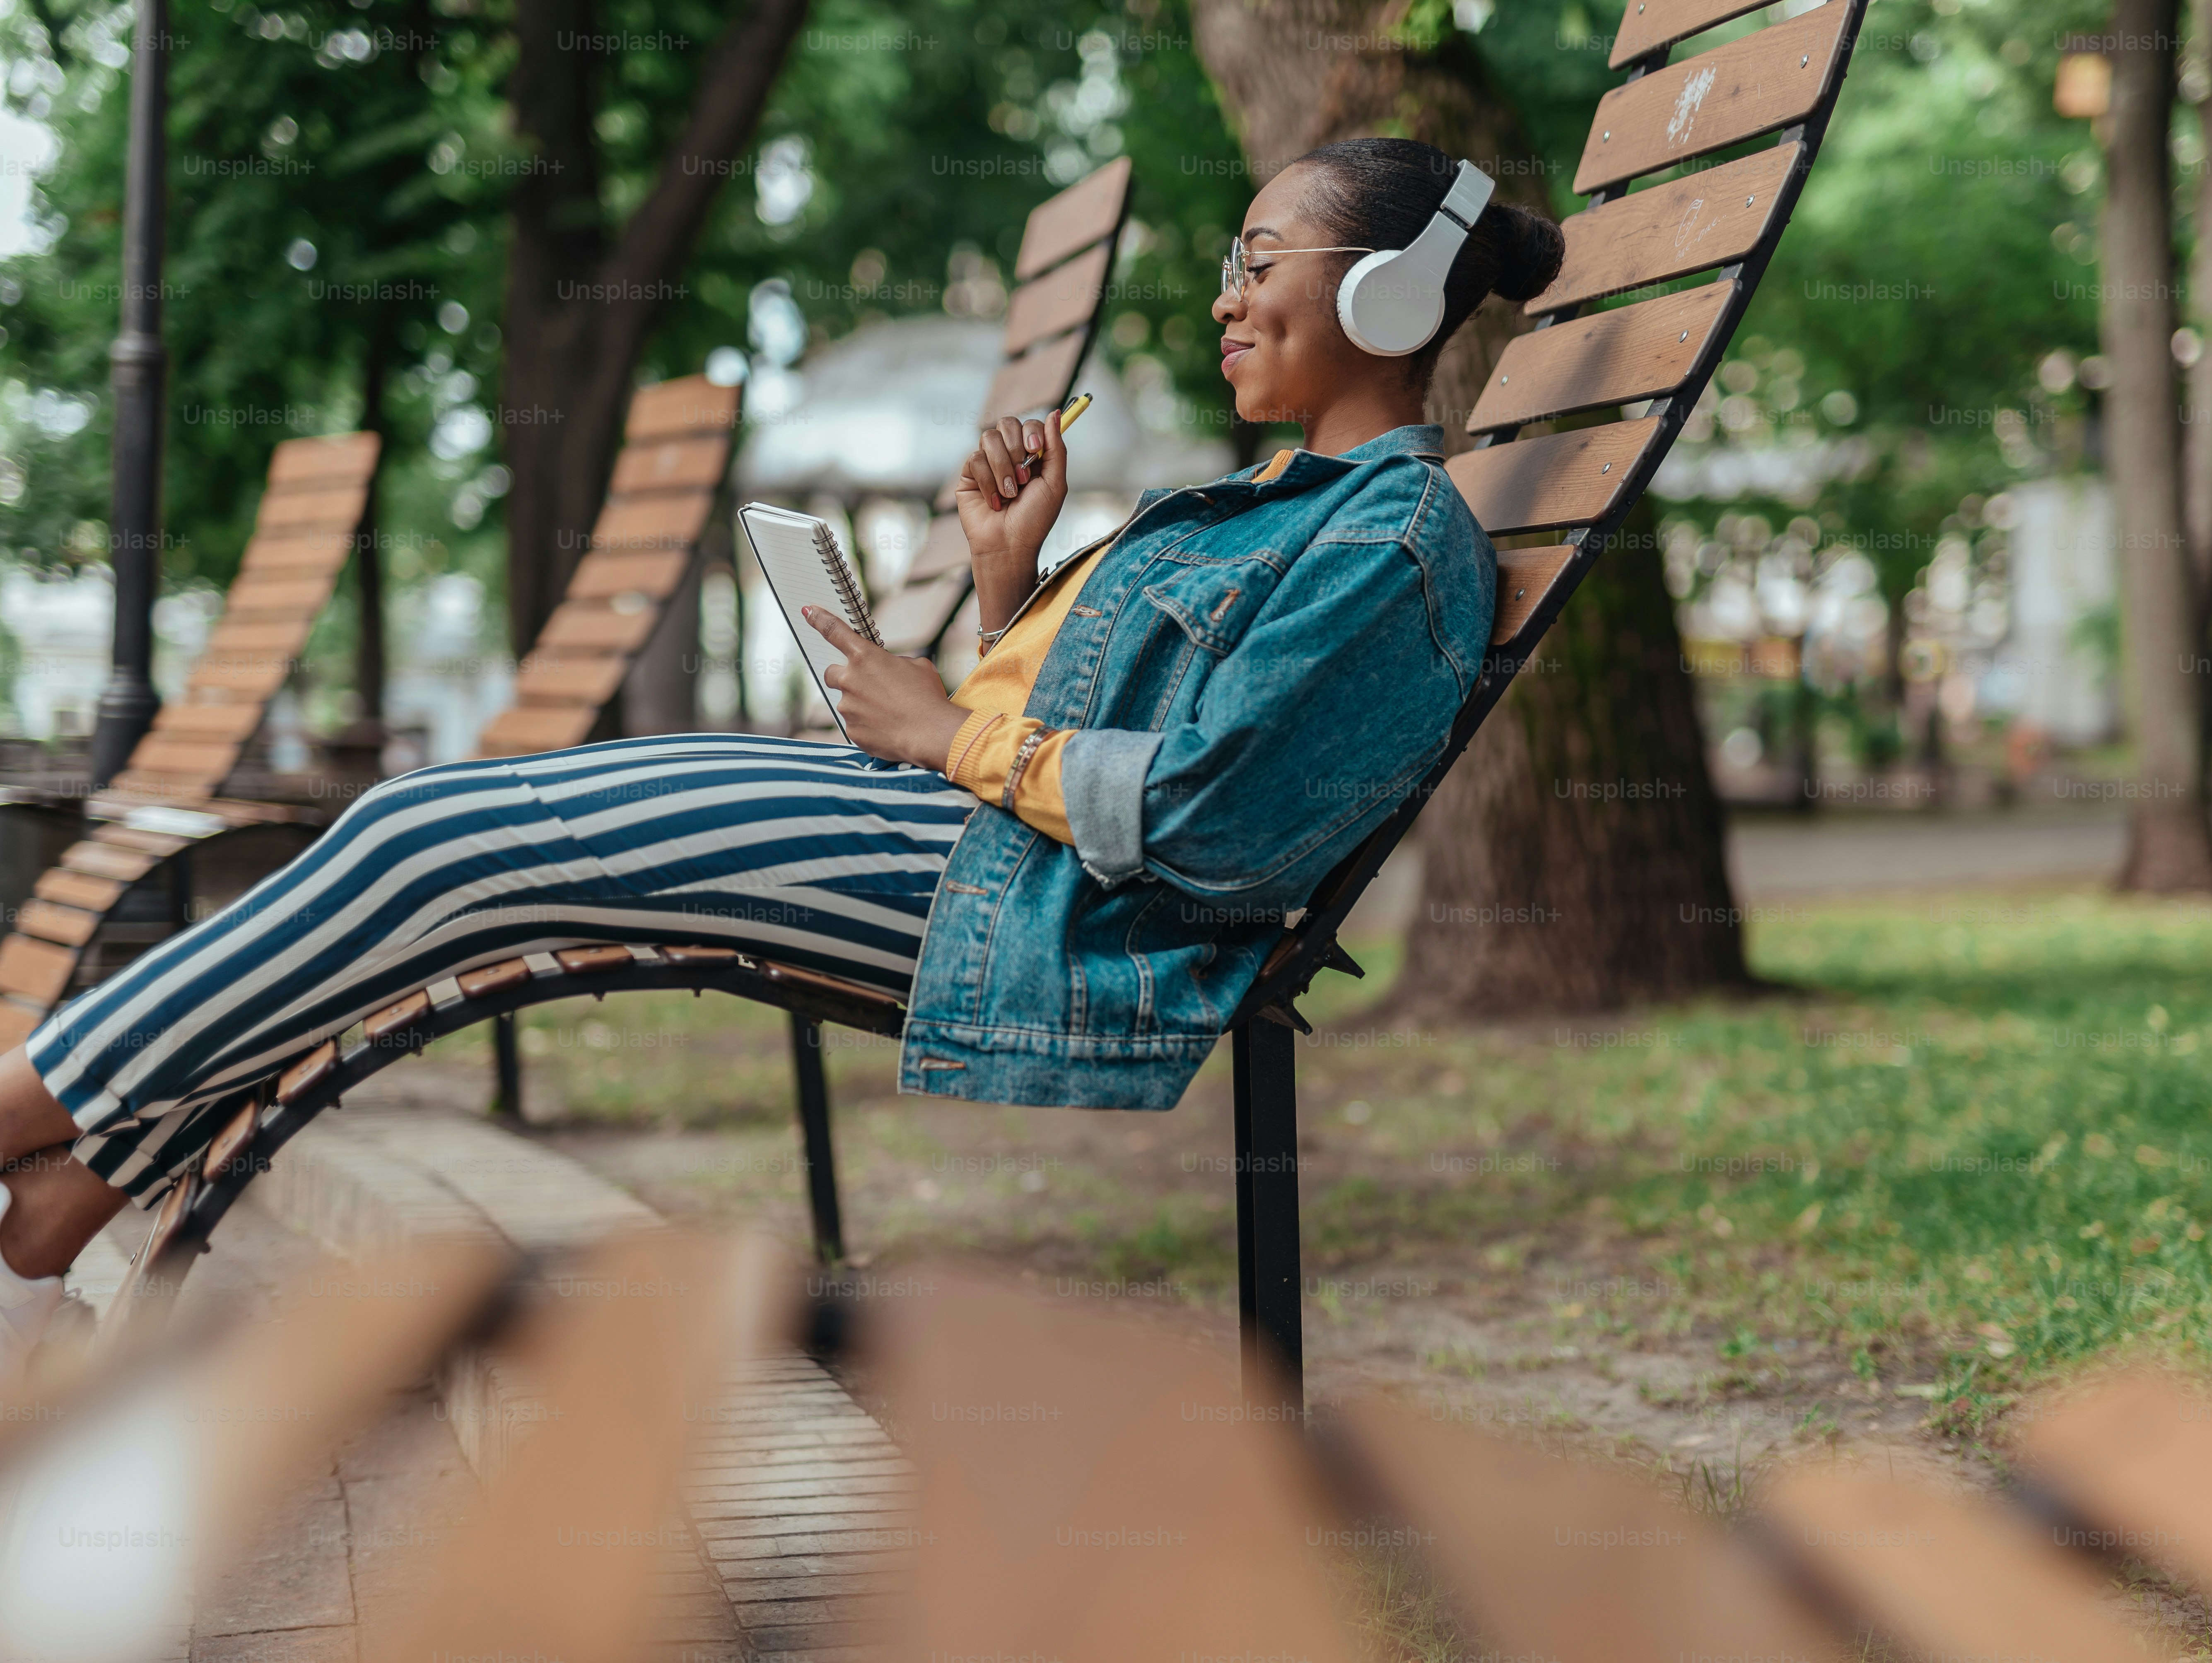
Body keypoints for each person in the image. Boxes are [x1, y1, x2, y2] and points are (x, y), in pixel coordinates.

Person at [0, 137, 1563, 1377]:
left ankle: (34, 1110)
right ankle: (88, 1164)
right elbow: (1091, 738)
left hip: (1028, 916)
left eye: (1260, 262)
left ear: (1386, 299)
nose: (1225, 296)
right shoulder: (1276, 502)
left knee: (433, 851)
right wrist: (1007, 573)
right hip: (966, 845)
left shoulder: (1395, 540)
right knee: (435, 837)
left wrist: (937, 726)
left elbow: (1213, 824)